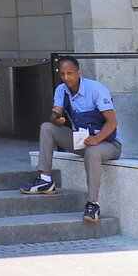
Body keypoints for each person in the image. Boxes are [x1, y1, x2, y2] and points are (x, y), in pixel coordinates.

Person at [22, 56, 119, 223]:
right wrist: (56, 119)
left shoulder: (96, 89)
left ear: (78, 73)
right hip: (82, 141)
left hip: (107, 143)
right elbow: (56, 113)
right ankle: (45, 180)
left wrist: (96, 139)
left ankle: (92, 204)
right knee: (47, 127)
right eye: (62, 74)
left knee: (93, 151)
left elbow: (112, 122)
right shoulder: (61, 90)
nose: (66, 78)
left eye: (70, 73)